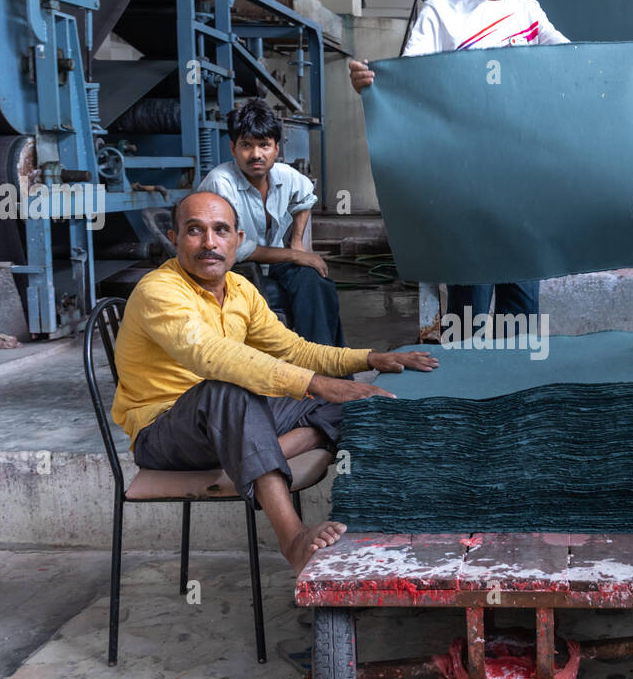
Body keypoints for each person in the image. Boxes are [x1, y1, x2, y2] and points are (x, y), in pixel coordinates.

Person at [348, 0, 633, 336]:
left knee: (521, 306)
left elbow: (576, 62)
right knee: (469, 308)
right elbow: (408, 82)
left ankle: (519, 397)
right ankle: (469, 398)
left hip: (524, 182)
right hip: (467, 184)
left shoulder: (527, 11)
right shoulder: (440, 13)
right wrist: (371, 81)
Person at [112, 191, 437, 572]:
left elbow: (294, 350)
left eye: (221, 230)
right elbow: (210, 356)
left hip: (233, 426)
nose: (210, 243)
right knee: (230, 388)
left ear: (238, 238)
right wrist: (317, 383)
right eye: (194, 231)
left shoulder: (241, 290)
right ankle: (294, 539)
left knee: (355, 403)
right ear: (174, 238)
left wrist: (370, 358)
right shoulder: (159, 290)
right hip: (165, 432)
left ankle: (257, 451)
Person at [198, 99, 345, 346]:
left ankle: (328, 369)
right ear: (233, 149)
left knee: (319, 285)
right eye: (246, 145)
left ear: (276, 149)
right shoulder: (220, 183)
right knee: (298, 277)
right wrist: (295, 256)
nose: (256, 154)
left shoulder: (284, 175)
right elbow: (236, 249)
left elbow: (306, 197)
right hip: (231, 269)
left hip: (274, 264)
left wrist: (297, 242)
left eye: (264, 145)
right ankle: (312, 369)